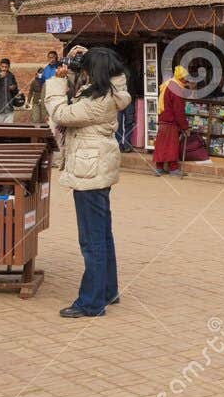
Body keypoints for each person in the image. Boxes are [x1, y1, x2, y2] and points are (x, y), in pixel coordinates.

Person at [45, 46, 133, 318]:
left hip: (89, 172)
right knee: (102, 234)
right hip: (96, 169)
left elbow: (61, 113)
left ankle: (91, 302)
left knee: (91, 239)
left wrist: (57, 82)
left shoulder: (97, 101)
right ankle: (107, 290)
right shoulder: (110, 92)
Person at [153, 64, 191, 176]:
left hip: (163, 119)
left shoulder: (168, 84)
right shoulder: (176, 89)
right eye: (185, 78)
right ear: (181, 78)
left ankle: (159, 168)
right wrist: (185, 126)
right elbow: (178, 110)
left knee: (161, 144)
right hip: (170, 121)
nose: (186, 80)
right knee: (171, 146)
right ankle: (173, 169)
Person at [30, 50, 60, 126]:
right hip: (46, 91)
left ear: (56, 58)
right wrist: (38, 78)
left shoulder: (59, 67)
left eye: (53, 57)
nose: (51, 59)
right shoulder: (46, 68)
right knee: (44, 110)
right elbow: (42, 82)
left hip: (55, 91)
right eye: (49, 58)